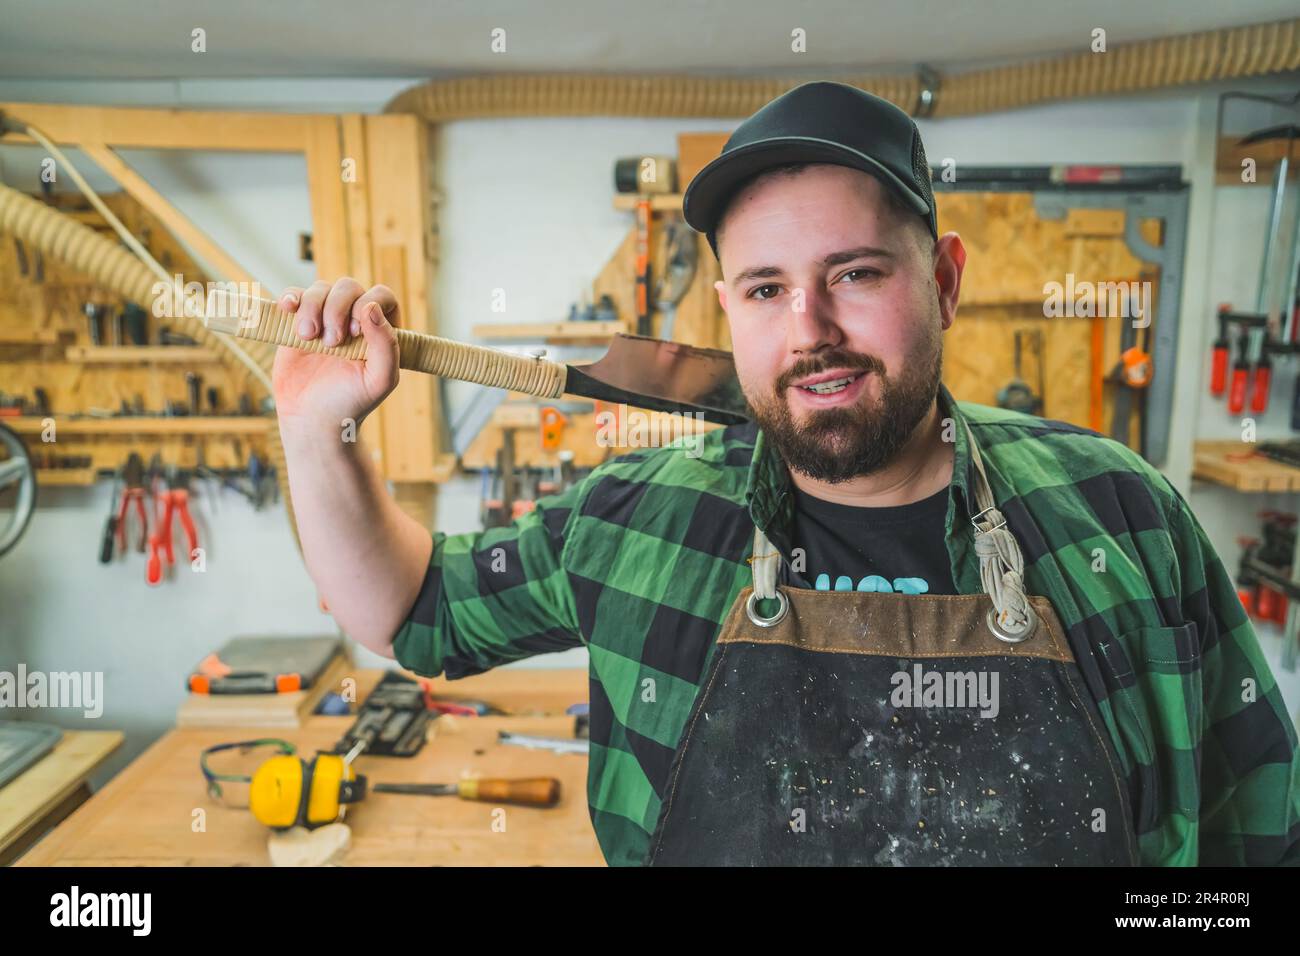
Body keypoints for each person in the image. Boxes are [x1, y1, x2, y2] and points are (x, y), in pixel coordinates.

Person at [272, 81, 1300, 866]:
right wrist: (318, 431)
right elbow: (410, 613)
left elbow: (1258, 829)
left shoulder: (1120, 517)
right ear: (728, 309)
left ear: (942, 282)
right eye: (766, 287)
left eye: (854, 273)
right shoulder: (642, 518)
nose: (809, 331)